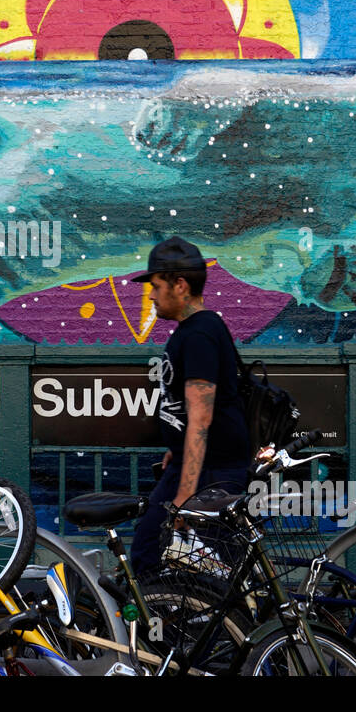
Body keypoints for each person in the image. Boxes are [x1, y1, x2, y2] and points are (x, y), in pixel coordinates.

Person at [128, 237, 251, 576]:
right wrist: (178, 448)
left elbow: (201, 416)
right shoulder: (193, 330)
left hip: (212, 474)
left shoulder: (199, 333)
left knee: (155, 552)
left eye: (155, 285)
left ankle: (231, 629)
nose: (150, 295)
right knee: (170, 556)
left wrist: (183, 498)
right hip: (198, 465)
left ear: (179, 285)